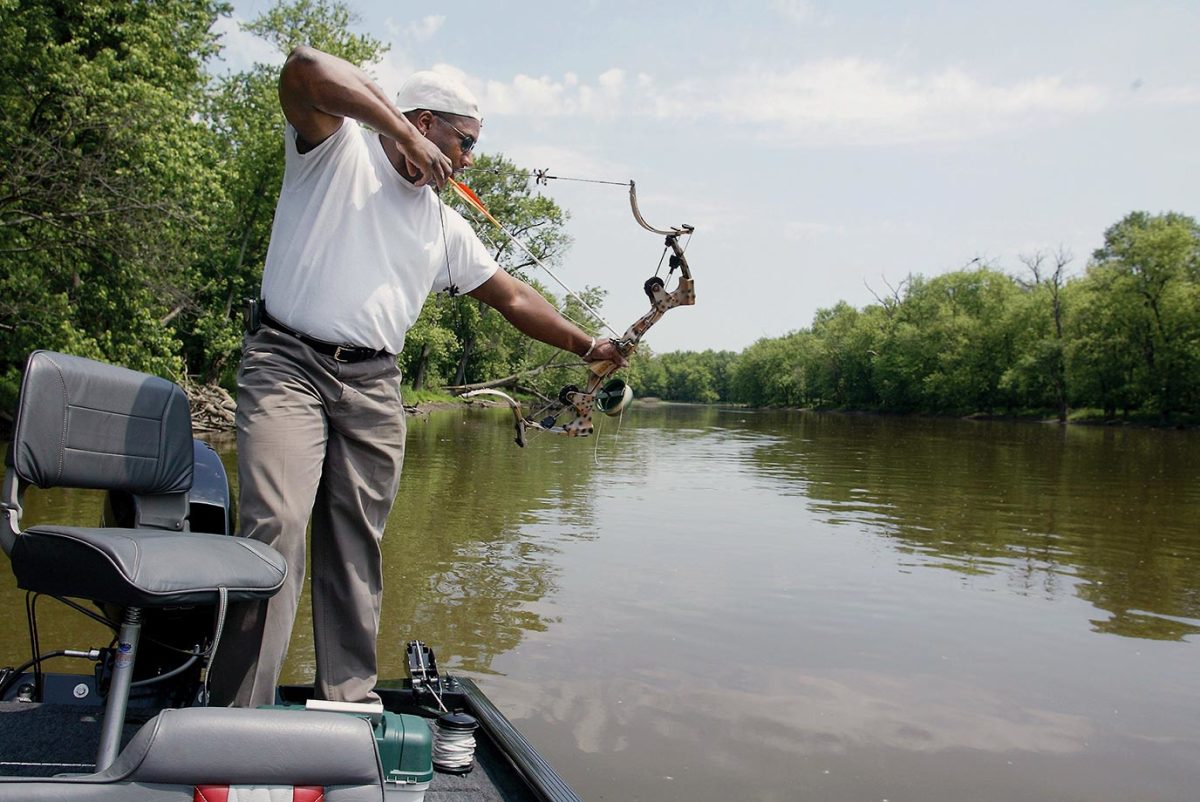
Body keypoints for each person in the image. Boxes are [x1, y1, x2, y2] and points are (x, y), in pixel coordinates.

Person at [209, 45, 624, 708]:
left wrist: (589, 344)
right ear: (425, 122)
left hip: (373, 389)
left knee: (355, 551)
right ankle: (234, 716)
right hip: (287, 366)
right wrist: (396, 132)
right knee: (277, 529)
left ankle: (344, 705)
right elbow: (302, 67)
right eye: (464, 143)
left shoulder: (443, 224)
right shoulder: (332, 149)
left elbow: (514, 298)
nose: (467, 161)